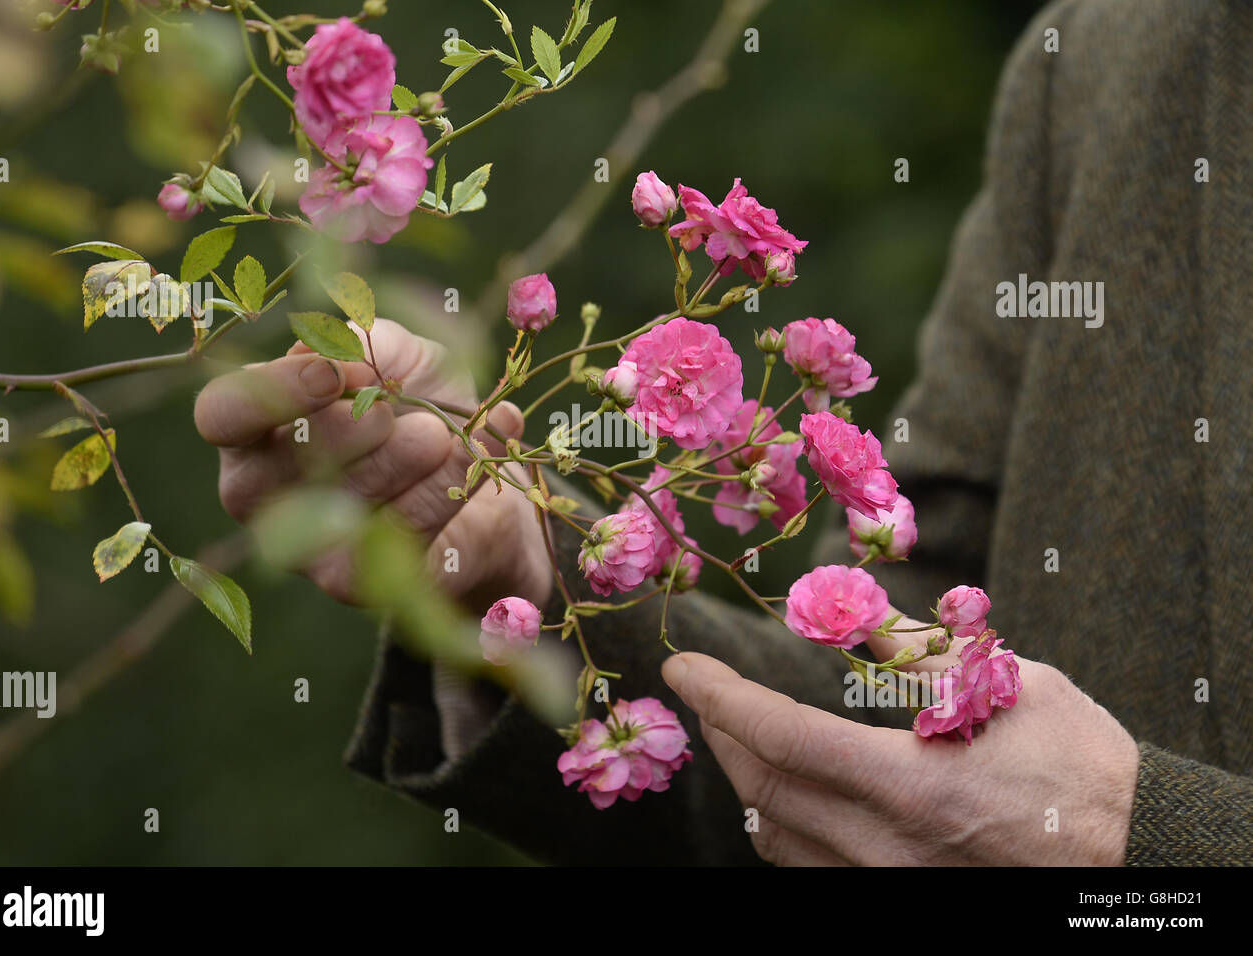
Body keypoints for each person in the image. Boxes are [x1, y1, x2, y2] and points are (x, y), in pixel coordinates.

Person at [193, 0, 1253, 865]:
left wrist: (1143, 839)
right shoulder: (1112, 59)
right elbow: (890, 687)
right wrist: (530, 567)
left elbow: (1063, 813)